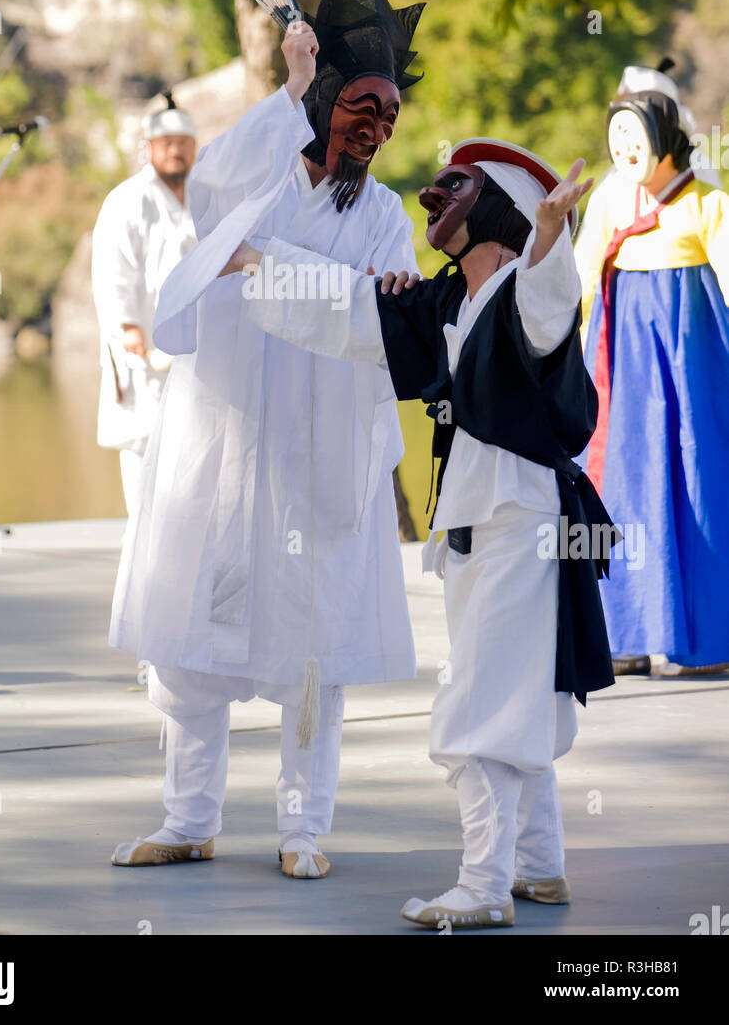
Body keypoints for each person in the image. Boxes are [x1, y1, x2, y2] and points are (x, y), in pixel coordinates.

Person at [220, 138, 616, 927]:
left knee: (478, 702)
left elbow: (546, 301)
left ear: (497, 212)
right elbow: (351, 307)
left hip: (519, 518)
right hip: (485, 519)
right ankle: (539, 867)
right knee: (520, 690)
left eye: (455, 190)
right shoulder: (448, 302)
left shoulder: (523, 290)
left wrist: (548, 234)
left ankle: (482, 886)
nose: (435, 202)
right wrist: (256, 262)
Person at [108, 0, 426, 878]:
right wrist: (286, 87)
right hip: (229, 430)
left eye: (392, 117)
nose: (378, 126)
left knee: (312, 657)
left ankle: (303, 831)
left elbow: (381, 322)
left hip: (319, 449)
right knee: (192, 642)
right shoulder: (258, 180)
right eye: (363, 105)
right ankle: (187, 818)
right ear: (324, 101)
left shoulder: (387, 217)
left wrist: (278, 270)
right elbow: (214, 197)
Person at [574, 60, 729, 677]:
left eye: (635, 137)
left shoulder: (708, 204)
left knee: (699, 486)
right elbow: (583, 277)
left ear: (665, 134)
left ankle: (706, 642)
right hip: (625, 373)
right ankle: (627, 635)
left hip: (693, 374)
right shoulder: (611, 195)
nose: (624, 150)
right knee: (625, 489)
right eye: (616, 138)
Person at [91, 92, 197, 517]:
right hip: (143, 350)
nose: (175, 150)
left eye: (182, 142)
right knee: (144, 448)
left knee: (189, 457)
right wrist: (127, 326)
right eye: (166, 142)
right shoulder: (127, 200)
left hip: (191, 350)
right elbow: (112, 272)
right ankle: (142, 555)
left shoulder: (202, 199)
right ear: (149, 148)